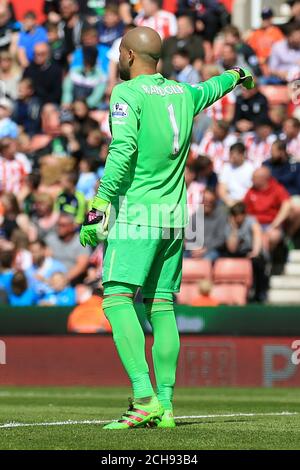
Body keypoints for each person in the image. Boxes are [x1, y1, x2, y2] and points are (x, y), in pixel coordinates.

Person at [79, 25, 254, 429]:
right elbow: (215, 87)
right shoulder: (182, 93)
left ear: (127, 56)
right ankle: (168, 405)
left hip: (138, 214)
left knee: (116, 299)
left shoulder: (127, 93)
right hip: (176, 217)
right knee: (161, 306)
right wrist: (238, 74)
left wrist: (100, 202)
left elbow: (123, 149)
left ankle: (143, 397)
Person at [225, 202, 267, 302]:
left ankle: (259, 294)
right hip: (237, 254)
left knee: (257, 263)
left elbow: (257, 234)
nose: (238, 218)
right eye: (236, 215)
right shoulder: (229, 226)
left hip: (251, 251)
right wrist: (234, 229)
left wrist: (255, 251)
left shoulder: (251, 221)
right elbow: (232, 248)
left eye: (240, 214)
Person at [244, 167, 292, 252]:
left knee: (273, 235)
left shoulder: (277, 188)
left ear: (263, 179)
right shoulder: (250, 191)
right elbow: (244, 209)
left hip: (271, 224)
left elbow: (287, 204)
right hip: (254, 225)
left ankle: (267, 258)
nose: (251, 180)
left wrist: (275, 224)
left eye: (254, 178)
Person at [46, 212, 90, 284]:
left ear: (72, 226)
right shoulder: (51, 239)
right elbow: (46, 261)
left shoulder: (81, 242)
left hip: (72, 282)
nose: (59, 228)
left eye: (63, 225)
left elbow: (81, 266)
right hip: (51, 278)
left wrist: (63, 279)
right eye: (58, 225)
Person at [185, 188, 227, 261]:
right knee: (181, 259)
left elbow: (221, 239)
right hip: (195, 250)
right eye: (205, 201)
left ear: (214, 202)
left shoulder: (221, 217)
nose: (207, 204)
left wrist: (205, 249)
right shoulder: (195, 216)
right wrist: (194, 249)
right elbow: (189, 237)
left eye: (210, 201)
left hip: (212, 250)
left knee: (207, 259)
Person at [161, 14, 204, 78]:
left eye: (182, 26)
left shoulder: (195, 42)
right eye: (178, 26)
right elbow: (159, 60)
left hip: (187, 80)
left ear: (190, 29)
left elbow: (199, 62)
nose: (179, 29)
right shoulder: (168, 41)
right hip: (167, 77)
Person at [247, 8, 284, 72]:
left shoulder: (277, 32)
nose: (265, 20)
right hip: (258, 66)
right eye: (264, 18)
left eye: (267, 18)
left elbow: (281, 51)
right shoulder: (257, 32)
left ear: (271, 18)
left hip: (272, 64)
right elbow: (250, 50)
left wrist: (266, 59)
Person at [218, 142, 255, 207]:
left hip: (245, 203)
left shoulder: (251, 168)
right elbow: (222, 189)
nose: (231, 157)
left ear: (242, 154)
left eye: (234, 154)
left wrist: (239, 203)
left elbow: (252, 190)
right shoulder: (226, 167)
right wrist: (228, 201)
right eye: (230, 154)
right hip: (228, 202)